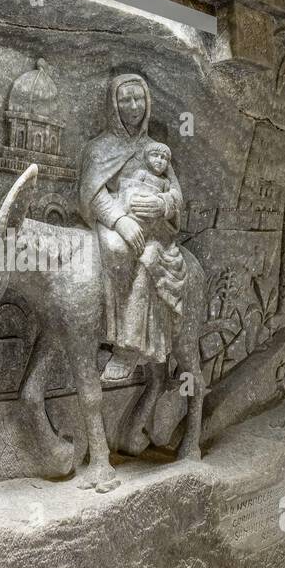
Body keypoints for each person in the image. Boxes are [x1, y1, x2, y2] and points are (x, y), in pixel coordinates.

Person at [76, 74, 186, 382]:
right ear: (113, 105)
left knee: (152, 258)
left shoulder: (155, 150)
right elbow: (92, 192)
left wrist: (163, 205)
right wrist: (119, 220)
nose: (133, 106)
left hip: (153, 225)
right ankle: (107, 335)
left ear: (148, 103)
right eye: (125, 100)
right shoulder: (100, 148)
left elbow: (176, 194)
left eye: (139, 99)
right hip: (115, 220)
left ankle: (131, 346)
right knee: (116, 248)